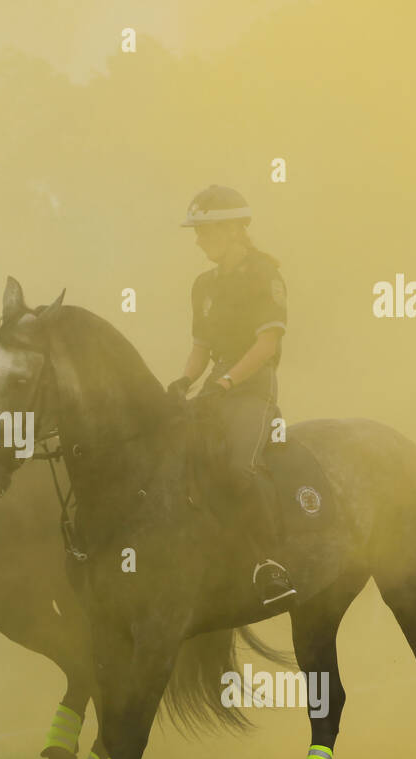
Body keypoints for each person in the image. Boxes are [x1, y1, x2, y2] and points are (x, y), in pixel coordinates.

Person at [169, 185, 296, 606]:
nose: (199, 240)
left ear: (233, 229)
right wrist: (183, 382)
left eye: (206, 231)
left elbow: (266, 346)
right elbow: (201, 351)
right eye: (199, 232)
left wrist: (226, 384)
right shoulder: (202, 285)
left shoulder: (265, 274)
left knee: (239, 467)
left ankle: (268, 562)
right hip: (213, 390)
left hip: (253, 388)